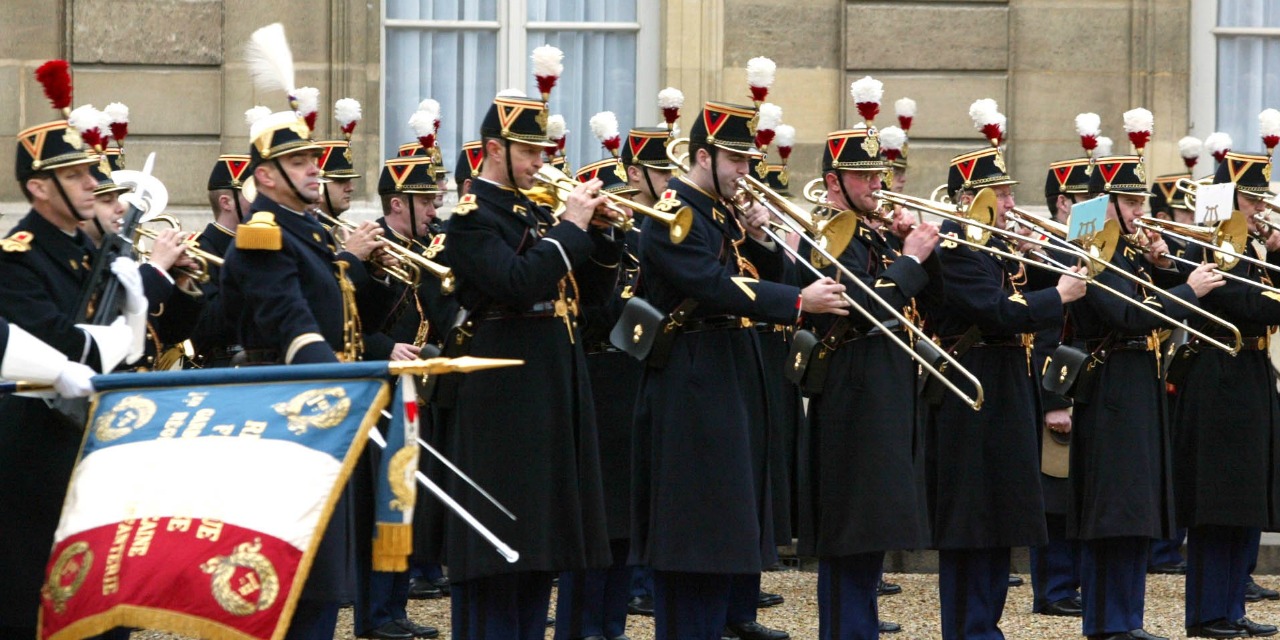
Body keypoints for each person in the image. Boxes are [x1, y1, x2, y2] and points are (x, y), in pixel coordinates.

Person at [630, 99, 848, 640]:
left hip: (728, 367)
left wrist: (761, 238)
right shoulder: (677, 211)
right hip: (692, 373)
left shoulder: (716, 210)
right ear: (703, 157)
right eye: (736, 161)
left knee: (724, 520)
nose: (746, 172)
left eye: (749, 160)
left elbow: (752, 272)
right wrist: (799, 301)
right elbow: (709, 284)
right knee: (697, 525)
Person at [442, 93, 618, 640]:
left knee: (543, 545)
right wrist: (571, 229)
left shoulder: (535, 210)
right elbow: (516, 283)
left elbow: (593, 297)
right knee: (503, 546)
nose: (541, 162)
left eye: (544, 151)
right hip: (504, 390)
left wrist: (603, 233)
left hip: (550, 379)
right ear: (495, 149)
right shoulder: (472, 217)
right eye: (530, 152)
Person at [220, 107, 383, 640]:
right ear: (265, 176)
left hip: (319, 411)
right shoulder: (262, 235)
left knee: (322, 581)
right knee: (289, 581)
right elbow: (292, 326)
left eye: (312, 157)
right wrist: (345, 385)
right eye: (298, 160)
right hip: (286, 415)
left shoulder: (305, 229)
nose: (315, 168)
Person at [0, 83, 148, 638]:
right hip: (32, 450)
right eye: (77, 175)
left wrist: (135, 310)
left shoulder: (87, 249)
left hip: (89, 441)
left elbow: (125, 352)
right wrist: (111, 334)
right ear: (39, 187)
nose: (93, 183)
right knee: (30, 597)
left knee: (101, 593)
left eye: (92, 172)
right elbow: (68, 347)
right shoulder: (17, 258)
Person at [924, 145, 1086, 640]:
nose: (1012, 202)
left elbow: (1044, 281)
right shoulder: (955, 245)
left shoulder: (994, 241)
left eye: (1012, 191)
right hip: (971, 388)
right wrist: (1056, 294)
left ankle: (984, 626)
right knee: (972, 520)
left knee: (1000, 516)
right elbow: (996, 311)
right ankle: (968, 629)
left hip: (1007, 384)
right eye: (1003, 192)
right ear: (970, 196)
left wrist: (1046, 253)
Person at [1068, 154, 1224, 640]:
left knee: (1136, 505)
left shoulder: (1129, 251)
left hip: (1140, 377)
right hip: (1114, 377)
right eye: (1130, 201)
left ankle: (1125, 618)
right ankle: (1108, 621)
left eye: (1141, 200)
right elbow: (1128, 315)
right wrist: (1189, 290)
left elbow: (1147, 303)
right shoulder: (1092, 247)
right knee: (1116, 505)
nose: (1140, 211)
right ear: (1105, 203)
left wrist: (1163, 266)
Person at [795, 124, 940, 640]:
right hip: (852, 384)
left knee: (875, 517)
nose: (876, 183)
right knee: (852, 522)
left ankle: (861, 626)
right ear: (834, 182)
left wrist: (910, 247)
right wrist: (911, 259)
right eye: (863, 175)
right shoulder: (831, 231)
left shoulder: (871, 230)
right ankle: (848, 630)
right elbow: (860, 304)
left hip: (886, 381)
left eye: (878, 173)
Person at [1173, 151, 1280, 639]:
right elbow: (1243, 302)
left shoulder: (1251, 245)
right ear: (1229, 197)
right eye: (1251, 197)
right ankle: (1208, 612)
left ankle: (1232, 606)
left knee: (1248, 497)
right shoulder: (1214, 241)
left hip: (1251, 371)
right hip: (1219, 375)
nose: (1260, 206)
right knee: (1219, 501)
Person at [553, 154, 644, 640]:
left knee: (626, 518)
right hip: (595, 378)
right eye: (613, 206)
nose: (622, 214)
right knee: (595, 518)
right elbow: (588, 313)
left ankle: (612, 622)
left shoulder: (638, 247)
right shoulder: (582, 250)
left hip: (631, 381)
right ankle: (581, 624)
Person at [1027, 157, 1091, 619]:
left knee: (1080, 489)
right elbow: (1044, 329)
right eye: (1087, 201)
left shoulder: (1087, 244)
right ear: (1064, 202)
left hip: (1089, 378)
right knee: (1055, 494)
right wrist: (1053, 399)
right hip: (1059, 380)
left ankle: (1075, 582)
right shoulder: (1041, 246)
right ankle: (1053, 588)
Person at [191, 153, 252, 367]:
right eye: (252, 193)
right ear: (226, 202)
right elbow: (205, 328)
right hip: (224, 364)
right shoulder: (199, 250)